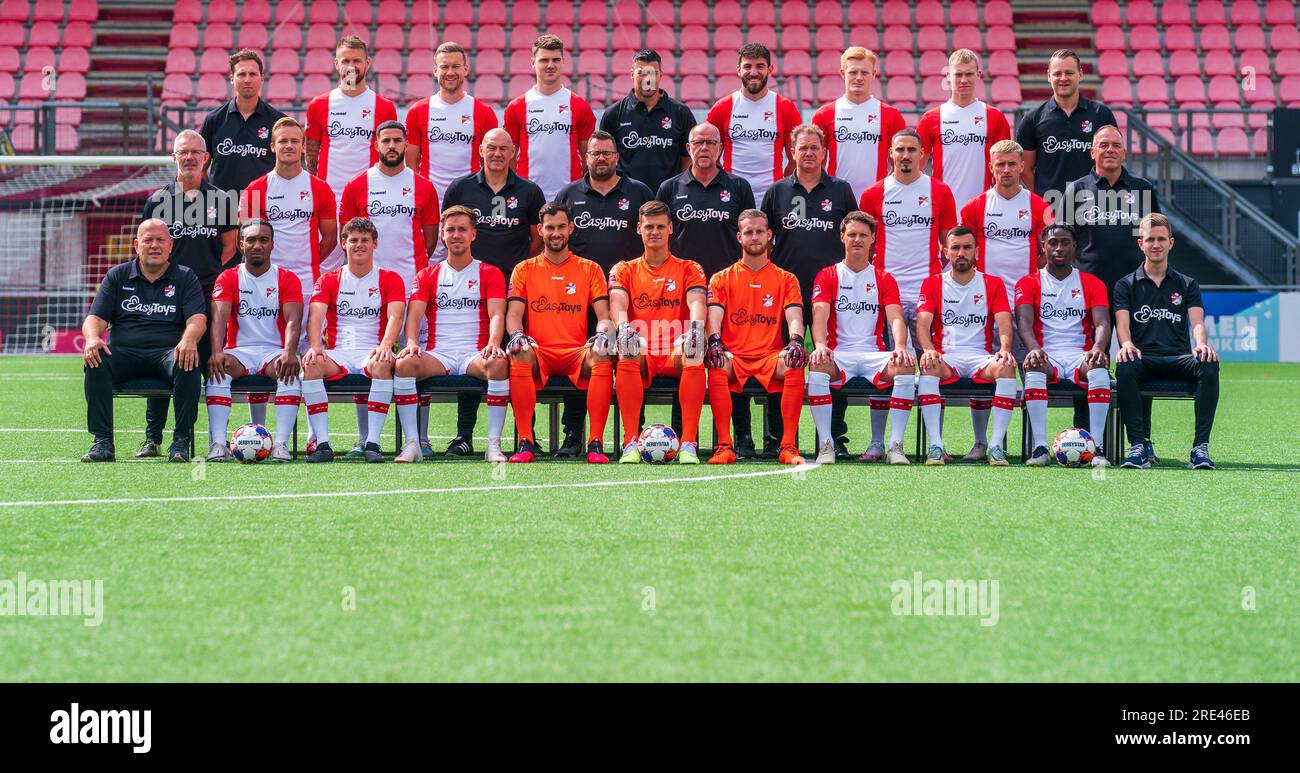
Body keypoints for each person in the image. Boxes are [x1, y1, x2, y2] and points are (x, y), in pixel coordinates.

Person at [442, 128, 546, 456]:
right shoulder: (461, 188)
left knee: (515, 362)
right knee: (474, 356)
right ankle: (464, 435)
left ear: (514, 151)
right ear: (481, 152)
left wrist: (518, 274)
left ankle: (523, 436)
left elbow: (536, 238)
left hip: (514, 292)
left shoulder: (529, 191)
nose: (497, 154)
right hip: (471, 289)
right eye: (491, 148)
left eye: (504, 148)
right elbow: (450, 229)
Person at [339, 121, 441, 454]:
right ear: (376, 144)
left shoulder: (423, 187)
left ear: (407, 144)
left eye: (398, 140)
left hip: (413, 289)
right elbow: (351, 234)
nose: (392, 146)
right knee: (366, 359)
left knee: (413, 358)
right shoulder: (357, 186)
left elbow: (429, 237)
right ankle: (365, 437)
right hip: (370, 286)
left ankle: (420, 437)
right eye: (386, 141)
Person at [136, 129, 239, 457]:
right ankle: (152, 438)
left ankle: (203, 440)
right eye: (184, 152)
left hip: (208, 294)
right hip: (165, 295)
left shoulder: (222, 200)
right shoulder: (157, 200)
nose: (190, 157)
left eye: (196, 152)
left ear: (206, 157)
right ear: (174, 158)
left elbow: (230, 246)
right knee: (163, 359)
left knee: (203, 363)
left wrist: (201, 277)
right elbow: (147, 246)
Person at [858, 129, 957, 459]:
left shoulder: (940, 191)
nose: (905, 155)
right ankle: (876, 442)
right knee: (886, 369)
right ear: (890, 154)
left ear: (923, 156)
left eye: (912, 150)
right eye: (899, 149)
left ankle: (935, 443)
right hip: (886, 296)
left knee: (931, 365)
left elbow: (949, 245)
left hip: (928, 293)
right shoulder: (873, 194)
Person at [760, 123, 858, 457]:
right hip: (784, 290)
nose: (809, 153)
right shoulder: (777, 192)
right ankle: (776, 437)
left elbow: (854, 236)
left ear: (824, 151)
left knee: (831, 360)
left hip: (831, 292)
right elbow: (763, 241)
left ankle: (831, 437)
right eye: (803, 148)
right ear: (792, 151)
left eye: (815, 147)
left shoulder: (841, 191)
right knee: (778, 362)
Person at [80, 219, 207, 463]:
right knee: (96, 359)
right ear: (137, 245)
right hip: (125, 354)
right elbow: (94, 318)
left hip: (167, 354)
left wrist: (189, 339)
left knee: (189, 360)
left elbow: (197, 319)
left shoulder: (184, 277)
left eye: (160, 240)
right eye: (148, 240)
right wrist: (92, 338)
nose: (154, 245)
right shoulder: (117, 276)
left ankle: (181, 440)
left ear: (170, 245)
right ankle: (102, 442)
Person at [393, 205, 509, 463]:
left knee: (499, 363)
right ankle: (413, 444)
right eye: (451, 230)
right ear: (443, 235)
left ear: (473, 235)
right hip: (439, 354)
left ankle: (493, 445)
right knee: (403, 363)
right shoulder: (428, 274)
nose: (456, 235)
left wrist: (493, 343)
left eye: (462, 230)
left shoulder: (490, 273)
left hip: (475, 354)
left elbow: (497, 315)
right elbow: (413, 315)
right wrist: (411, 342)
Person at [504, 203, 614, 464]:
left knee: (601, 354)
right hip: (539, 352)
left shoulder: (590, 268)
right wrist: (517, 335)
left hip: (576, 353)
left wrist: (602, 335)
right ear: (540, 230)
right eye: (550, 228)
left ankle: (595, 443)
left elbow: (604, 317)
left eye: (561, 227)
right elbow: (512, 315)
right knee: (519, 353)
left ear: (571, 228)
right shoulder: (524, 269)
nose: (556, 233)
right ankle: (525, 442)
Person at [808, 212, 915, 464]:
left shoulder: (884, 278)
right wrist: (821, 345)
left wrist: (900, 346)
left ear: (872, 239)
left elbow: (896, 318)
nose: (857, 239)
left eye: (863, 235)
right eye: (852, 234)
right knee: (817, 363)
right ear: (842, 237)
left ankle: (895, 447)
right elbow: (819, 314)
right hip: (839, 353)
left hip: (873, 354)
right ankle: (827, 445)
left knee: (905, 364)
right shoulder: (828, 275)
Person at [1114, 214, 1219, 470]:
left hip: (1177, 358)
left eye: (1161, 239)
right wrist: (1126, 344)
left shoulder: (1186, 284)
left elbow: (1197, 322)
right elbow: (1122, 325)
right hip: (1144, 359)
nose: (1156, 244)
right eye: (1150, 239)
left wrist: (1202, 344)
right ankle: (1138, 446)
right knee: (1125, 365)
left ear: (1171, 243)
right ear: (1141, 244)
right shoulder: (1125, 284)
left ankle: (1200, 448)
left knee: (1208, 364)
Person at [704, 209, 808, 466]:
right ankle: (724, 446)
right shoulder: (721, 278)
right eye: (748, 232)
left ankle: (788, 446)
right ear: (739, 237)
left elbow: (794, 315)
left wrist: (795, 339)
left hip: (770, 356)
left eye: (759, 231)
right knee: (717, 362)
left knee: (794, 363)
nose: (754, 237)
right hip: (734, 355)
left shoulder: (786, 279)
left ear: (770, 235)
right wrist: (715, 341)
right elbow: (713, 315)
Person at [608, 201, 709, 464]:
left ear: (671, 229)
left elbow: (697, 302)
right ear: (638, 229)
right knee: (627, 348)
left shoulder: (690, 268)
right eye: (649, 226)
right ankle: (630, 442)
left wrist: (696, 330)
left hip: (675, 348)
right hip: (642, 348)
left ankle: (688, 443)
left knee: (695, 351)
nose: (655, 232)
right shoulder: (624, 269)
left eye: (660, 226)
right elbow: (617, 304)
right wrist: (623, 329)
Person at [300, 217, 406, 463]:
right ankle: (322, 444)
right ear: (343, 243)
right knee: (312, 364)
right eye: (354, 240)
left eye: (365, 240)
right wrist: (315, 346)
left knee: (382, 364)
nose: (359, 245)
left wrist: (386, 346)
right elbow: (315, 318)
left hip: (373, 351)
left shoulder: (390, 278)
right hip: (340, 351)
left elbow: (396, 316)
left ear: (375, 244)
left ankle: (373, 443)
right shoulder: (329, 279)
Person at [913, 227, 1017, 465]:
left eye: (967, 247)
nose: (961, 253)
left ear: (977, 252)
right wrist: (929, 350)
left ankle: (996, 446)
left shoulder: (993, 283)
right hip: (947, 357)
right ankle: (935, 445)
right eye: (956, 247)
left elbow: (1004, 324)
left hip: (980, 356)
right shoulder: (932, 283)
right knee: (929, 366)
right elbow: (922, 325)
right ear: (945, 252)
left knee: (1007, 367)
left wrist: (1004, 349)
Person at [204, 220, 304, 463]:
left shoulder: (287, 278)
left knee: (287, 370)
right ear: (241, 245)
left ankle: (280, 445)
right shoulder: (228, 277)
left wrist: (290, 352)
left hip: (274, 352)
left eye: (263, 240)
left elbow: (293, 320)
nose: (257, 245)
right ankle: (218, 444)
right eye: (251, 240)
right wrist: (216, 351)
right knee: (219, 368)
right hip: (239, 352)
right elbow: (218, 317)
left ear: (272, 245)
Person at [1015, 224, 1112, 467]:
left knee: (1099, 371)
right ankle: (1040, 447)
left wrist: (1098, 348)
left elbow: (1102, 322)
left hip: (1081, 356)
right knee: (1034, 368)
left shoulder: (1091, 283)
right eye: (1053, 243)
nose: (1059, 248)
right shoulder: (1028, 283)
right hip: (1047, 356)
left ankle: (1097, 448)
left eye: (1065, 243)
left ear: (1074, 248)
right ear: (1043, 246)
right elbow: (1024, 323)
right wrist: (1034, 349)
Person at [305, 35, 398, 274]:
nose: (351, 66)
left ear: (368, 63)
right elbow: (311, 152)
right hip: (330, 196)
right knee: (327, 264)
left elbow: (390, 153)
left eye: (357, 60)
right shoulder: (319, 105)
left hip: (371, 196)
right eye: (345, 60)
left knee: (372, 260)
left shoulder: (384, 106)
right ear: (336, 63)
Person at [404, 40, 498, 264]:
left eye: (456, 66)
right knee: (431, 260)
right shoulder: (418, 111)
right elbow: (411, 163)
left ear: (466, 69)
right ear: (435, 71)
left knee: (471, 257)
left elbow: (494, 163)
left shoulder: (483, 112)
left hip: (471, 198)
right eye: (444, 67)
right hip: (431, 199)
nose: (450, 72)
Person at [1063, 125, 1160, 295]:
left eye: (1116, 145)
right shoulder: (1076, 189)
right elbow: (1063, 240)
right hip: (1088, 289)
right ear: (1093, 152)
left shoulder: (1143, 188)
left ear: (1124, 153)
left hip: (1136, 289)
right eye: (1103, 145)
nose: (1110, 150)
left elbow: (1157, 237)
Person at [502, 34, 596, 201]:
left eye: (555, 60)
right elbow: (509, 156)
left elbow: (587, 156)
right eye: (544, 60)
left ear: (563, 62)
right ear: (532, 63)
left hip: (570, 195)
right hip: (528, 195)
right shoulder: (516, 107)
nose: (550, 65)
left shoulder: (579, 105)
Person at [706, 42, 801, 206]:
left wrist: (783, 184)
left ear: (770, 70)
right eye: (747, 66)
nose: (754, 72)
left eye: (760, 66)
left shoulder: (785, 108)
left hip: (773, 197)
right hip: (730, 196)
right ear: (738, 70)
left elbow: (795, 157)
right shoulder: (722, 107)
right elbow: (709, 152)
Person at [917, 49, 1012, 210]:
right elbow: (916, 166)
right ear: (948, 76)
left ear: (978, 75)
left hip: (985, 208)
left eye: (968, 74)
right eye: (958, 75)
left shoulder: (995, 117)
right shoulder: (931, 118)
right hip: (943, 208)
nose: (963, 80)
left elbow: (1005, 166)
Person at [1016, 50, 1118, 197]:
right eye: (1057, 73)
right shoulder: (1033, 119)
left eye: (1069, 73)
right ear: (1049, 76)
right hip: (1050, 206)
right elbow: (1024, 168)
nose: (1063, 78)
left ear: (1080, 75)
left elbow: (1112, 161)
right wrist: (1042, 195)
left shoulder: (1101, 115)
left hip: (1093, 203)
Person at [554, 130, 656, 275]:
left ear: (617, 157)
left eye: (607, 153)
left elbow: (657, 237)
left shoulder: (641, 193)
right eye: (595, 154)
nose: (601, 158)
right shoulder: (567, 195)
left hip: (630, 279)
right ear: (587, 157)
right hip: (580, 280)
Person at [812, 46, 905, 201]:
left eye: (865, 72)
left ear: (874, 74)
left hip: (879, 199)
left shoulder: (891, 115)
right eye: (853, 72)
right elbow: (815, 163)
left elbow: (900, 161)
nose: (859, 77)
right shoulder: (824, 114)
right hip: (835, 199)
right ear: (842, 73)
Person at [597, 49, 697, 193]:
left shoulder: (681, 113)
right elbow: (605, 158)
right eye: (642, 73)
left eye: (653, 73)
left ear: (661, 75)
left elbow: (688, 158)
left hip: (668, 198)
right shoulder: (613, 114)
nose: (648, 79)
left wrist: (677, 190)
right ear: (632, 74)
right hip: (625, 198)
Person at [199, 49, 287, 195]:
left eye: (253, 74)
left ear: (262, 78)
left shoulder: (278, 121)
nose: (247, 79)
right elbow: (200, 166)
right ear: (232, 78)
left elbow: (287, 168)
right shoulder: (214, 120)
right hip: (221, 205)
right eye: (241, 74)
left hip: (262, 204)